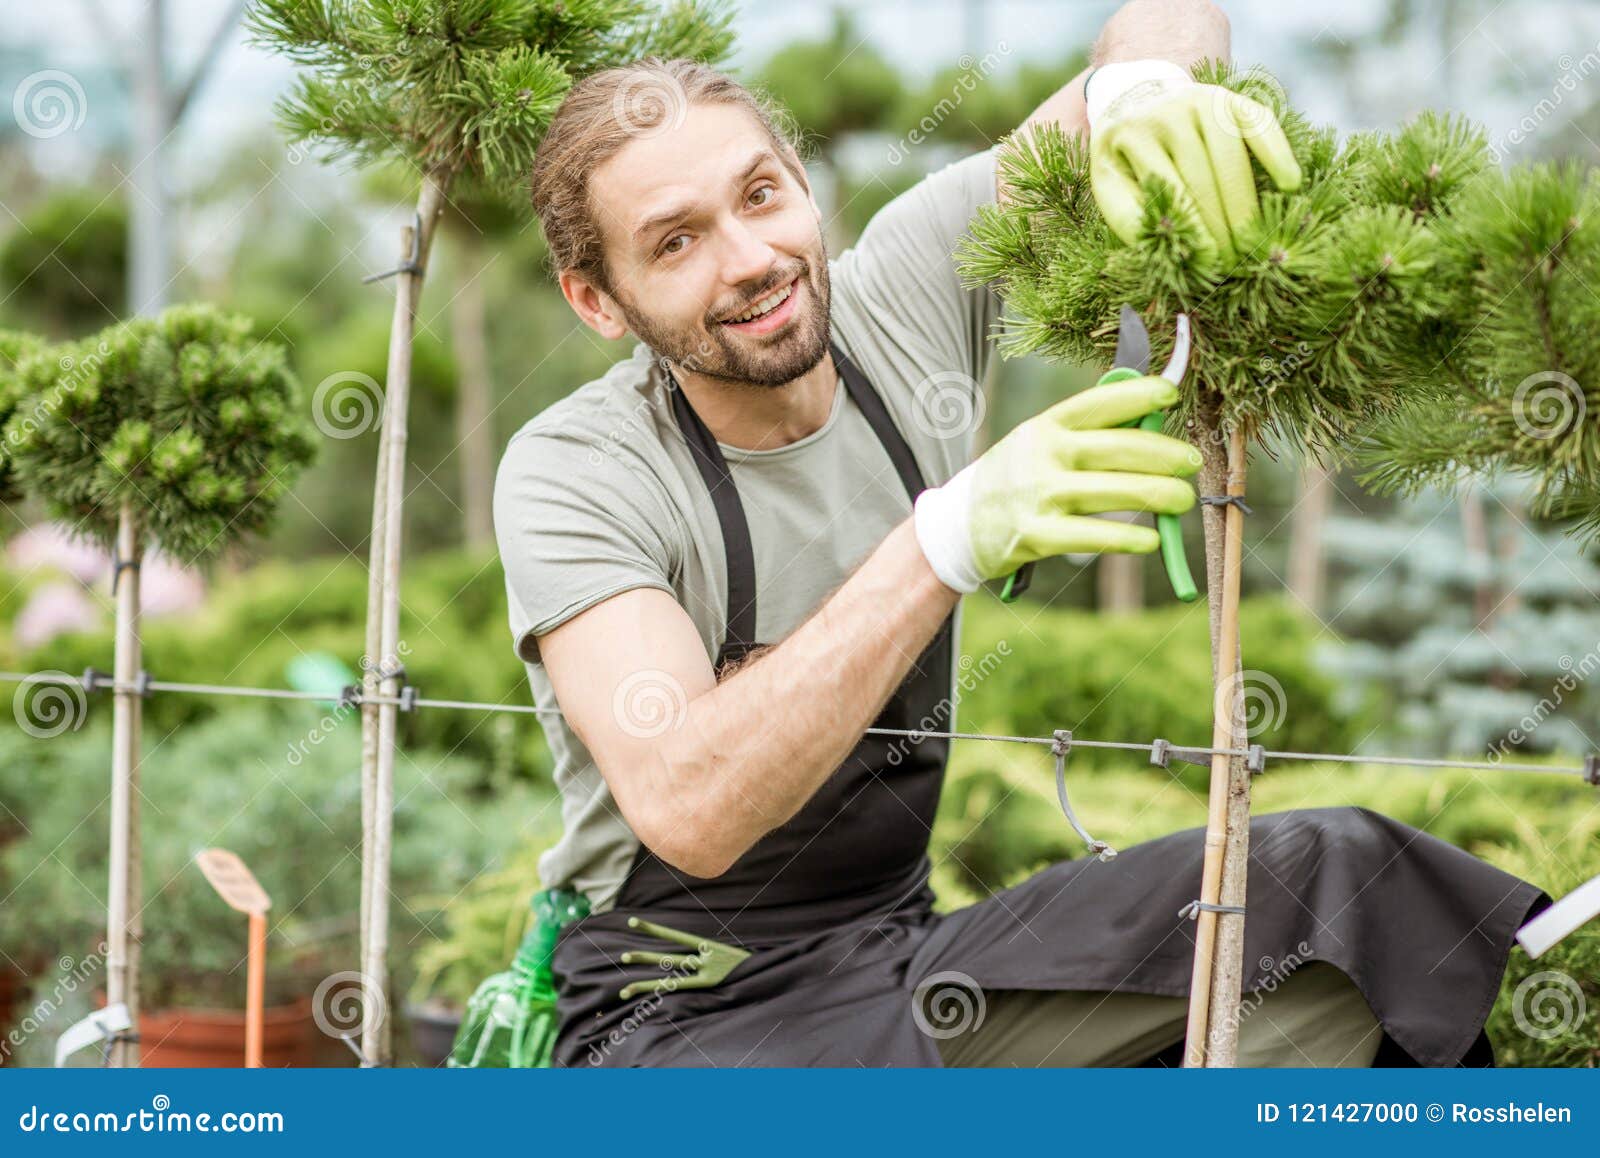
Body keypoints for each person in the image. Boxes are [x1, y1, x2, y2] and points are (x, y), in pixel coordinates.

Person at [495, 0, 1549, 1067]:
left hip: (893, 953)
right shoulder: (578, 471)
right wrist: (942, 542)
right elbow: (690, 806)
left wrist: (1142, 96)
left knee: (1330, 880)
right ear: (598, 301)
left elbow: (1165, 18)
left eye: (760, 196)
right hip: (677, 1016)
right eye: (676, 241)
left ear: (802, 186)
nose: (750, 258)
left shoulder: (899, 294)